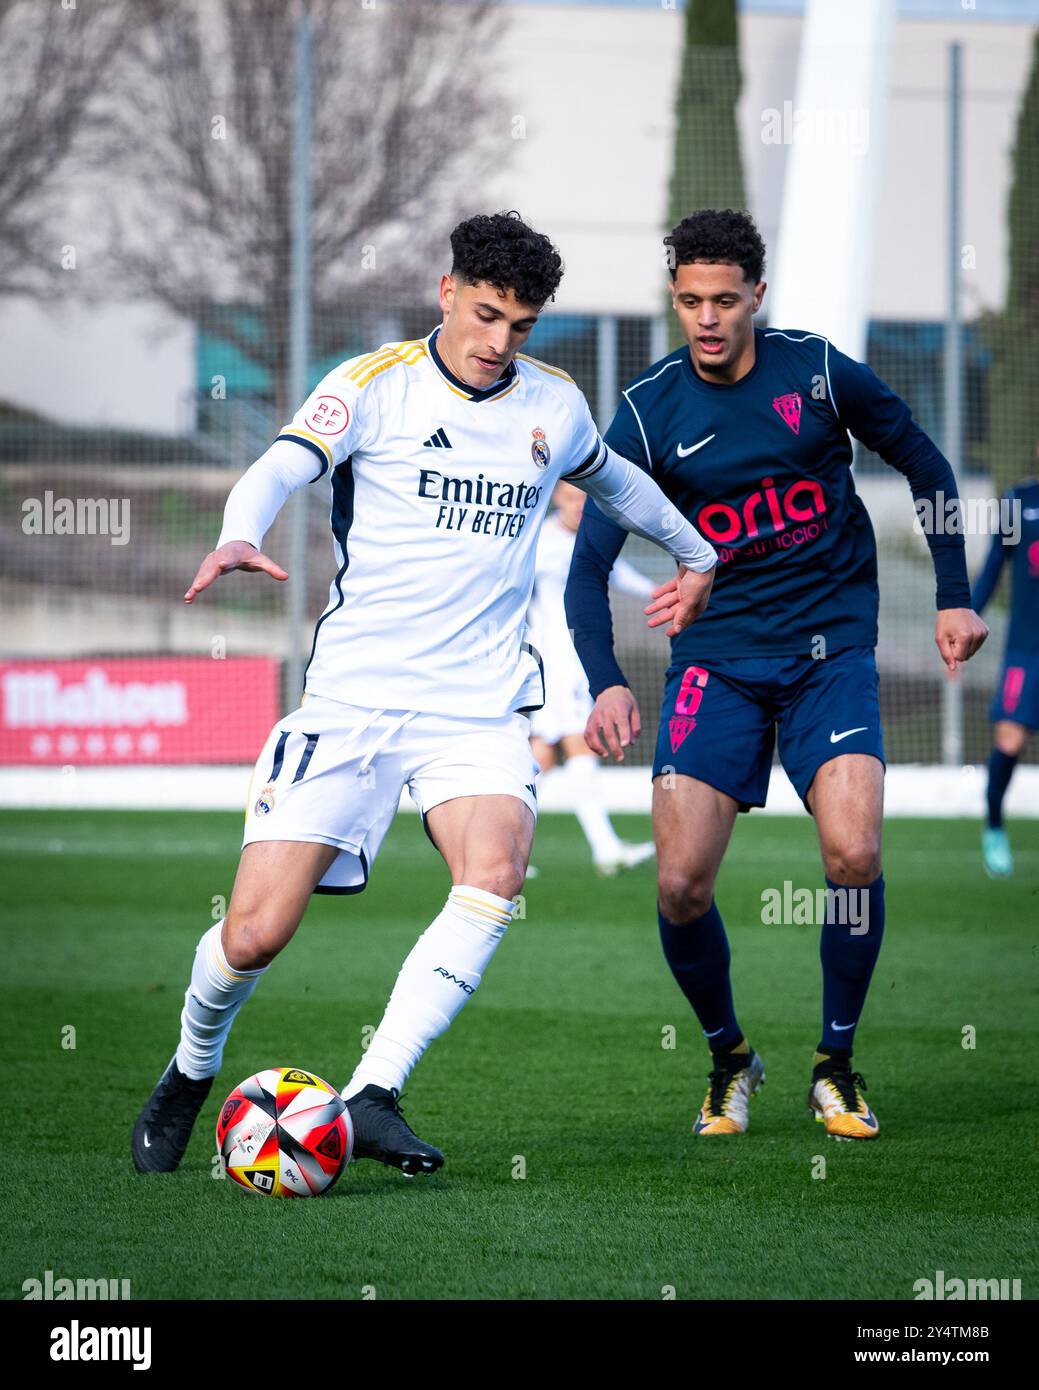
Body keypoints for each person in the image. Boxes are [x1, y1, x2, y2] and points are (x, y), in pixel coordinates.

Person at [131, 210, 717, 1180]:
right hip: (354, 700)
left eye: (520, 327)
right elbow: (281, 464)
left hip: (479, 705)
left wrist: (699, 554)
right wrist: (241, 529)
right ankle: (189, 1072)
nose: (498, 343)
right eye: (486, 315)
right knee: (254, 932)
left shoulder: (554, 405)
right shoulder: (373, 386)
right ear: (447, 293)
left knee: (494, 870)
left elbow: (618, 484)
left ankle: (373, 1092)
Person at [565, 209, 988, 1141]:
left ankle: (834, 1065)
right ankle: (728, 1060)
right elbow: (586, 564)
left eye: (723, 300)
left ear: (758, 295)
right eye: (688, 302)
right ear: (673, 302)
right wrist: (604, 679)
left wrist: (953, 594)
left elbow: (924, 463)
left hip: (829, 653)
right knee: (678, 884)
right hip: (715, 664)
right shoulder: (647, 410)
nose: (706, 319)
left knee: (854, 855)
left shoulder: (820, 371)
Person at [526, 480, 655, 875]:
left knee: (541, 755)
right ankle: (605, 848)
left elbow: (623, 576)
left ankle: (499, 848)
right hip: (554, 660)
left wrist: (672, 594)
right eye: (570, 497)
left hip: (577, 660)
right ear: (556, 497)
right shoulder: (538, 541)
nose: (579, 506)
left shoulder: (591, 539)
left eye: (586, 498)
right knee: (580, 743)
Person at [971, 471, 1039, 877]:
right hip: (1026, 649)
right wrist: (964, 620)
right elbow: (994, 566)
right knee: (1010, 737)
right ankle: (994, 828)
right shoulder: (1020, 500)